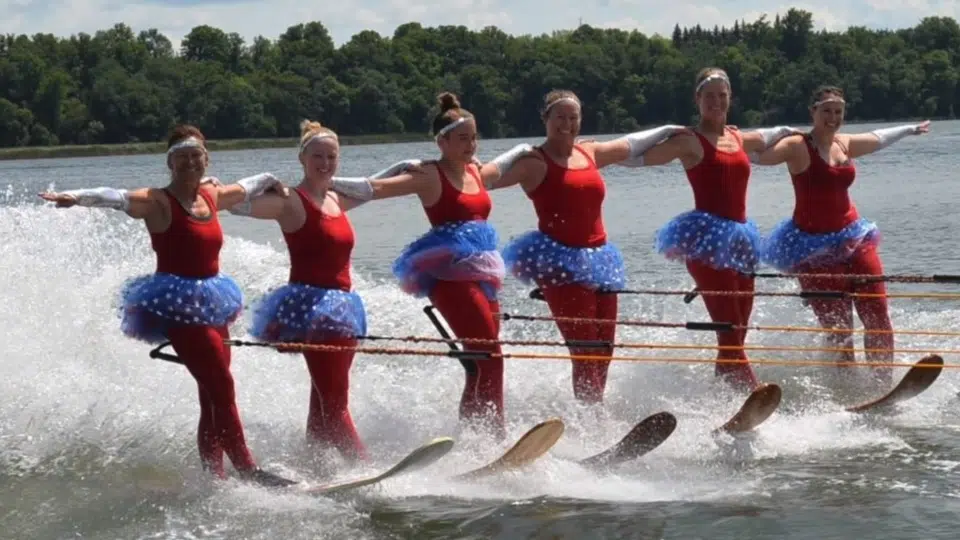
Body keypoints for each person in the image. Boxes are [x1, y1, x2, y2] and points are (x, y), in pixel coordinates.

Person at [38, 124, 294, 487]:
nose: (190, 163)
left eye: (196, 156)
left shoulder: (210, 194)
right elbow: (118, 197)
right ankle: (249, 470)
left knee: (210, 396)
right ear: (170, 163)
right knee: (222, 385)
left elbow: (247, 186)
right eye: (182, 158)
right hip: (177, 307)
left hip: (214, 302)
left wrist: (272, 179)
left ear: (206, 160)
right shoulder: (158, 201)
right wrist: (77, 196)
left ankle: (214, 477)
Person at [476, 89, 690, 404]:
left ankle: (594, 411)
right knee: (584, 349)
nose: (567, 123)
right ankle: (588, 420)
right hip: (560, 263)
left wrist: (670, 130)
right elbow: (485, 179)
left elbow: (631, 145)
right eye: (559, 117)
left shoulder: (589, 152)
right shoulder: (534, 162)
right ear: (545, 119)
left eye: (573, 117)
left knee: (605, 349)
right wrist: (516, 151)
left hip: (601, 260)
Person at [329, 92, 508, 438]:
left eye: (474, 137)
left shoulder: (475, 170)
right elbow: (374, 188)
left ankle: (475, 437)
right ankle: (495, 436)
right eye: (462, 138)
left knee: (478, 364)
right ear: (442, 141)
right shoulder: (429, 175)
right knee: (491, 357)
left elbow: (513, 162)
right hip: (449, 273)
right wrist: (324, 182)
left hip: (485, 272)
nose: (470, 144)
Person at [613, 68, 799, 391]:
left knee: (738, 329)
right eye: (709, 96)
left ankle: (723, 395)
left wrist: (799, 132)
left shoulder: (740, 137)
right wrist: (665, 131)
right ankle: (752, 392)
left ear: (730, 99)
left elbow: (773, 136)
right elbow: (632, 159)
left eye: (722, 95)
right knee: (728, 327)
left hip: (742, 241)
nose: (716, 102)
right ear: (697, 100)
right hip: (706, 244)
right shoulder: (689, 140)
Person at [754, 85, 931, 383]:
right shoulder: (797, 146)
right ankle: (847, 386)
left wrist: (910, 128)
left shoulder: (844, 144)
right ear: (813, 112)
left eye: (838, 112)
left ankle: (882, 382)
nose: (833, 118)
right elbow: (757, 156)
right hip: (812, 249)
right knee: (839, 328)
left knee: (877, 314)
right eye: (826, 111)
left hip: (854, 238)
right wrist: (740, 137)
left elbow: (877, 139)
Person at [226, 119, 371, 461]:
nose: (324, 164)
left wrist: (406, 166)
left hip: (345, 309)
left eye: (331, 157)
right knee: (335, 401)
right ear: (302, 159)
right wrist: (259, 182)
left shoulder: (337, 198)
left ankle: (314, 463)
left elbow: (370, 188)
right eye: (318, 156)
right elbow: (232, 205)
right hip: (312, 310)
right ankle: (362, 467)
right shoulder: (291, 201)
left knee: (323, 399)